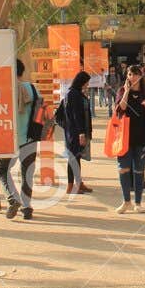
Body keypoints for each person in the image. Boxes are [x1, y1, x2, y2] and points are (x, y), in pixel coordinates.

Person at [114, 64, 145, 213]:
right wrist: (126, 92)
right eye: (130, 74)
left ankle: (138, 203)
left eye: (135, 74)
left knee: (139, 170)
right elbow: (120, 109)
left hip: (143, 137)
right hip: (124, 137)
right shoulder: (121, 91)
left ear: (141, 76)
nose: (132, 77)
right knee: (123, 169)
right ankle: (126, 202)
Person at [6, 60, 41, 220]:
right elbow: (42, 109)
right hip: (30, 137)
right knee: (27, 173)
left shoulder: (5, 89)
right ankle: (27, 207)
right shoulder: (33, 89)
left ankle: (14, 198)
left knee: (2, 169)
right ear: (22, 70)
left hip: (9, 139)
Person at [61, 68, 94, 196]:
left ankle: (79, 183)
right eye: (86, 82)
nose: (88, 85)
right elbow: (76, 115)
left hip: (75, 132)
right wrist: (80, 132)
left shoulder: (77, 93)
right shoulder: (73, 95)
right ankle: (70, 186)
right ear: (81, 82)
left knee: (77, 157)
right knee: (73, 158)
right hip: (74, 133)